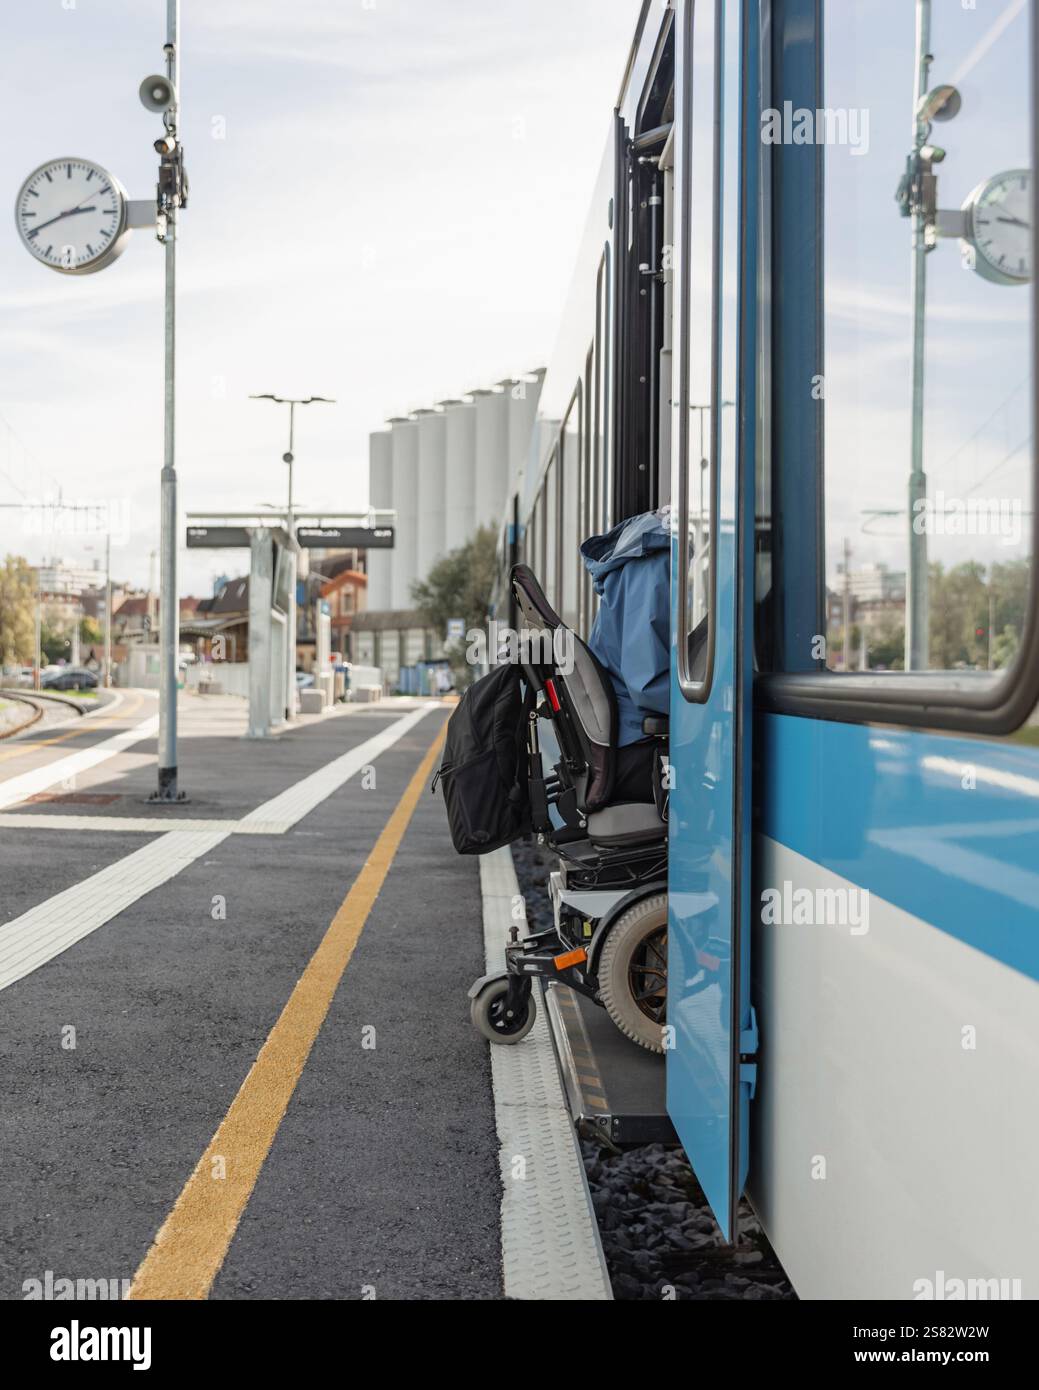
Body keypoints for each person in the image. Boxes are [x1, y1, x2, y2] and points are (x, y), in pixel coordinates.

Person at [580, 507, 670, 803]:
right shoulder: (655, 562)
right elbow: (648, 684)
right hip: (639, 750)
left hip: (633, 743)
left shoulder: (650, 553)